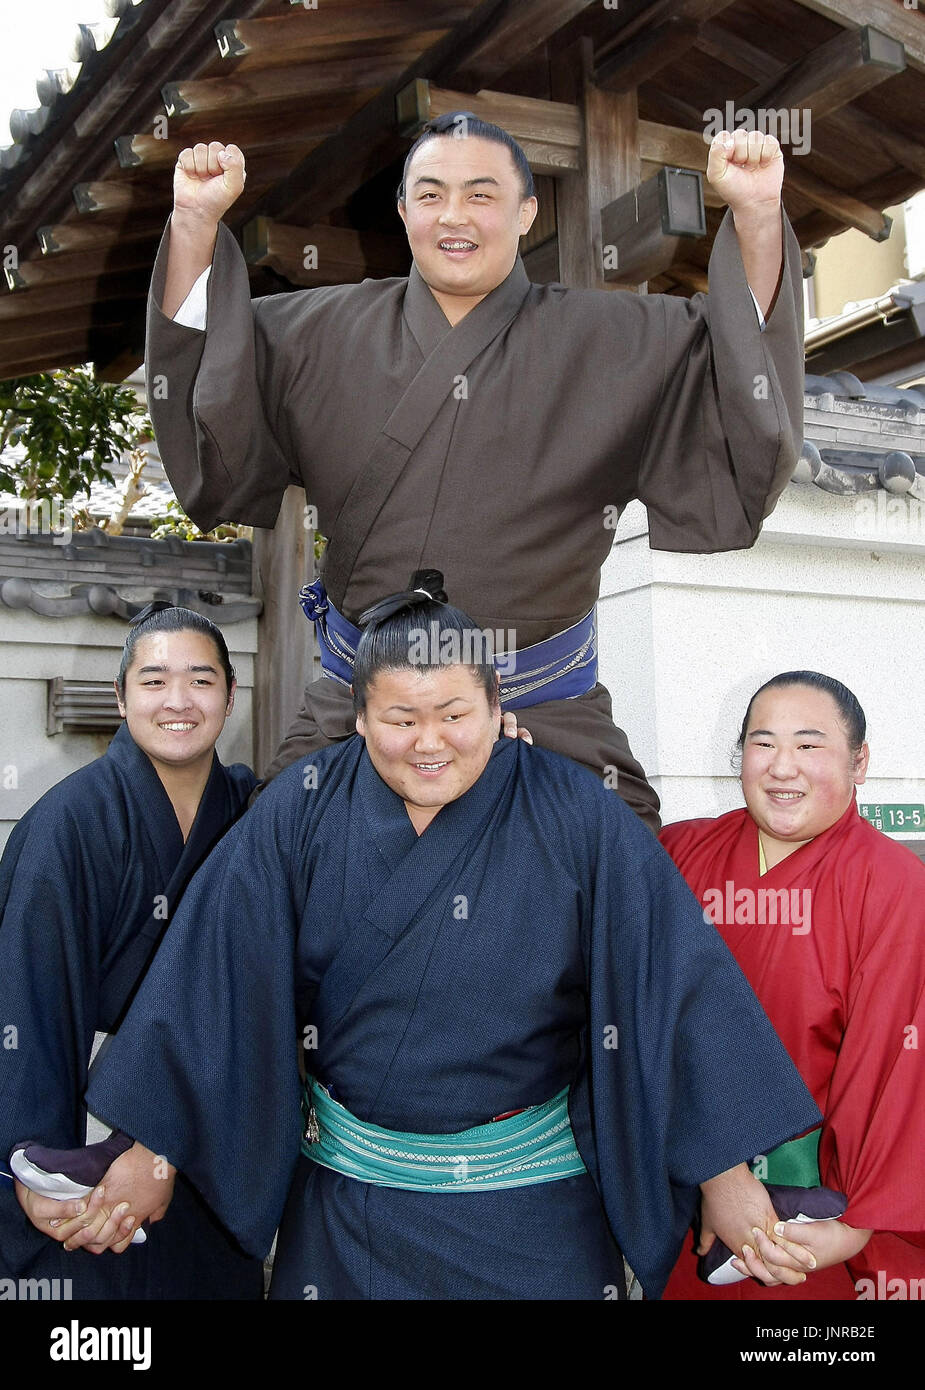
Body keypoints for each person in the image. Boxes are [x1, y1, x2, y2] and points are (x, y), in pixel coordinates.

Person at [76, 573, 821, 1300]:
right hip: (348, 1210)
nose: (428, 744)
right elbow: (215, 978)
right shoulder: (298, 813)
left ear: (498, 708)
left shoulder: (577, 814)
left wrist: (723, 1174)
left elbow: (671, 986)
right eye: (400, 721)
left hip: (531, 1211)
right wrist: (154, 1148)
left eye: (453, 715)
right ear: (360, 717)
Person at [143, 112, 805, 831]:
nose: (452, 216)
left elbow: (741, 369)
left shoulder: (612, 338)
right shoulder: (317, 331)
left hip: (543, 703)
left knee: (624, 868)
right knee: (265, 863)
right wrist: (195, 222)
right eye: (429, 195)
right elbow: (213, 364)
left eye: (481, 195)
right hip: (362, 706)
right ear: (403, 212)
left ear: (525, 212)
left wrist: (757, 214)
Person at [0, 603, 263, 1299]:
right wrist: (29, 1174)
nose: (178, 700)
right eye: (152, 681)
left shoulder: (254, 814)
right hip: (81, 1148)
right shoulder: (68, 823)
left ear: (231, 697)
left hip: (208, 1135)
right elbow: (25, 1001)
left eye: (201, 681)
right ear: (121, 698)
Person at [659, 671, 925, 1300]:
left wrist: (857, 1223)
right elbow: (637, 1020)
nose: (782, 768)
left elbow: (897, 1066)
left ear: (860, 762)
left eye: (809, 746)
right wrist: (713, 1177)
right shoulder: (681, 854)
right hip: (691, 1190)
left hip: (822, 1214)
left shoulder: (893, 885)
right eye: (762, 743)